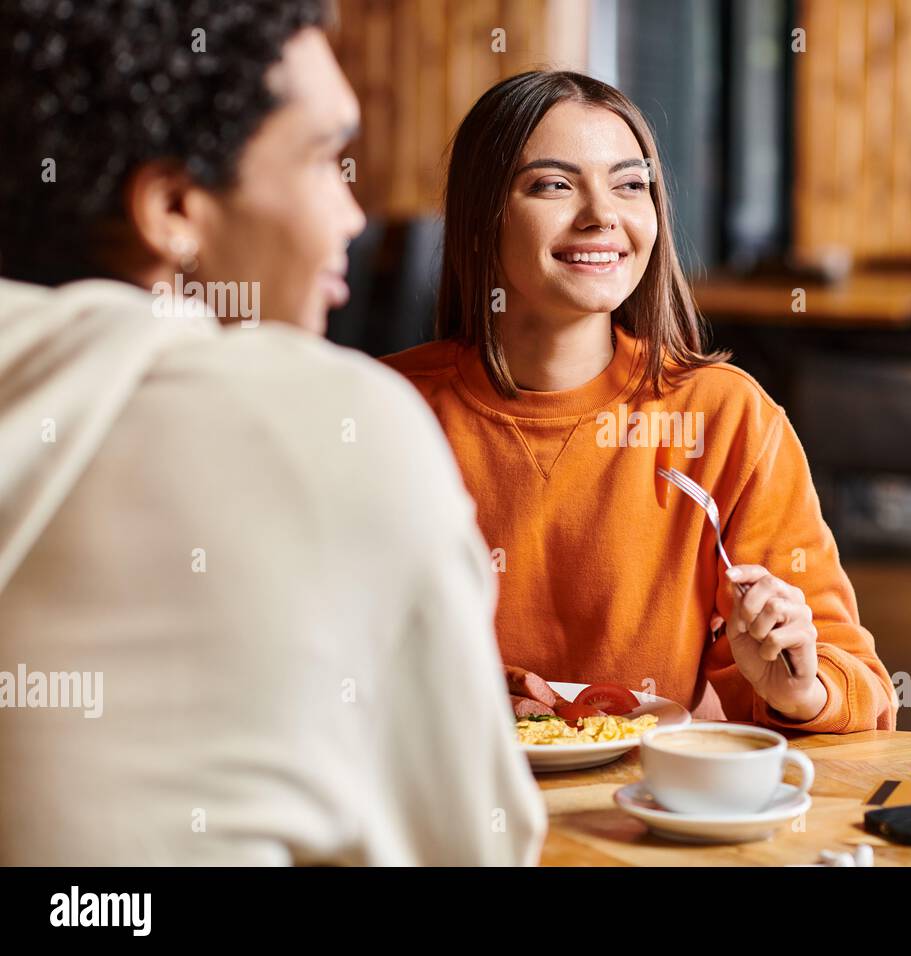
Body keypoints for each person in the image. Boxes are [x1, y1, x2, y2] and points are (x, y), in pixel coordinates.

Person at [0, 0, 545, 865]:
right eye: (328, 159)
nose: (355, 216)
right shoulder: (343, 429)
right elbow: (474, 845)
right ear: (176, 207)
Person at [383, 71, 899, 734]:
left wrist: (799, 689)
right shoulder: (384, 412)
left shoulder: (725, 420)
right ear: (481, 219)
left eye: (630, 184)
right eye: (553, 184)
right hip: (430, 806)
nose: (603, 214)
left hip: (639, 814)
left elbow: (860, 686)